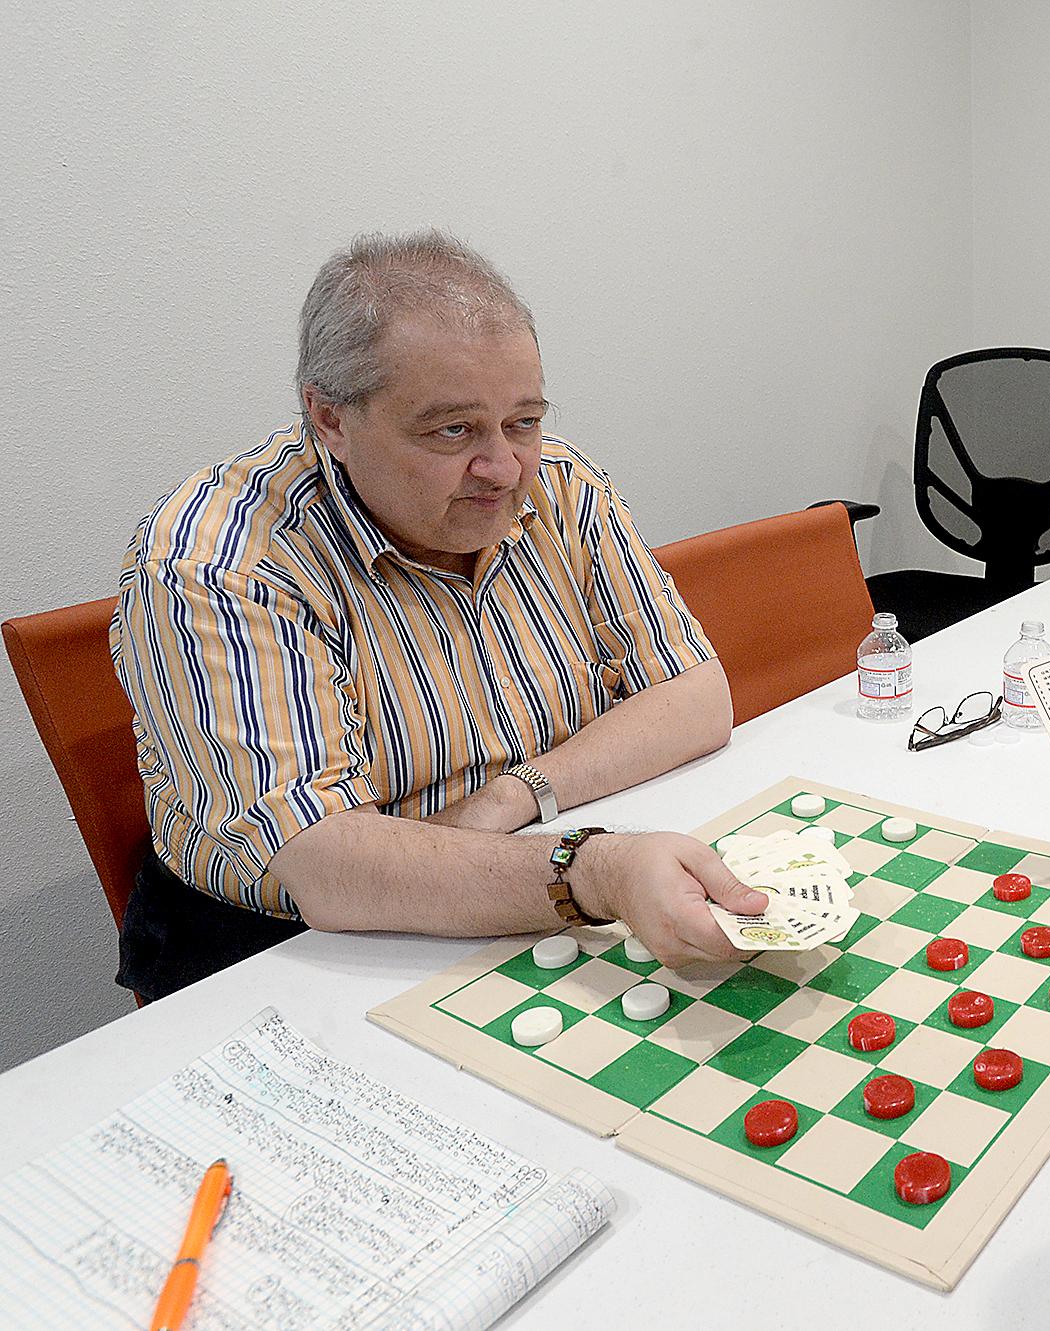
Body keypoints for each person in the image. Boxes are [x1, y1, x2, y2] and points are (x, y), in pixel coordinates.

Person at [111, 231, 768, 1001]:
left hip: (529, 878)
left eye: (523, 420)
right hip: (291, 957)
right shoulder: (218, 563)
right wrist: (588, 869)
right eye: (453, 430)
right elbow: (329, 864)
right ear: (330, 419)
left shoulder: (559, 484)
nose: (504, 467)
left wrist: (513, 796)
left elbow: (695, 695)